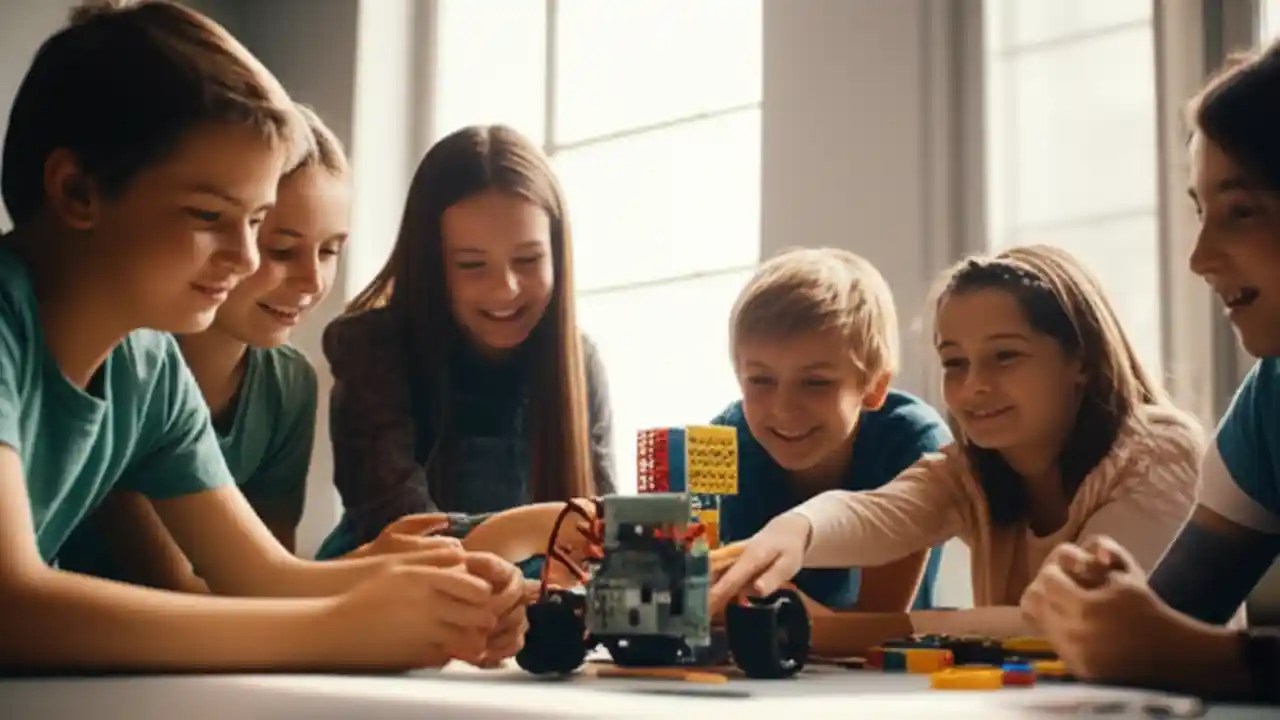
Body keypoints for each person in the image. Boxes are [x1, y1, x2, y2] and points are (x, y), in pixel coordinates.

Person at [0, 1, 522, 671]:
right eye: (210, 215)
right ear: (77, 191)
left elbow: (264, 575)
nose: (246, 260)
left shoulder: (150, 366)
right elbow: (12, 604)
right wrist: (340, 629)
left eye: (254, 222)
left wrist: (451, 593)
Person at [710, 244, 1203, 656]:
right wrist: (796, 530)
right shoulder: (970, 471)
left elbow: (1076, 619)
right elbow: (880, 511)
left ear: (1082, 360)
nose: (974, 387)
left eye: (1004, 356)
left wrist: (851, 631)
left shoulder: (1158, 448)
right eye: (954, 363)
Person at [1022, 41, 1280, 705]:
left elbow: (1183, 646)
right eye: (1201, 211)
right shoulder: (1269, 405)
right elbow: (1178, 616)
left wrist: (1201, 657)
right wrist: (1108, 609)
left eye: (1240, 210)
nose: (1199, 258)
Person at [55, 103, 392, 589]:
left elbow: (268, 576)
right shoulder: (125, 362)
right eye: (280, 249)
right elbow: (175, 585)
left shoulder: (287, 384)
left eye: (329, 250)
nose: (311, 280)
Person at [314, 124, 615, 565]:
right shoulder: (371, 347)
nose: (505, 288)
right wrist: (533, 534)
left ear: (557, 256)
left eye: (528, 260)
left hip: (540, 603)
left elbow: (603, 531)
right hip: (395, 593)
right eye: (472, 265)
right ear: (432, 266)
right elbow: (400, 526)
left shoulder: (579, 361)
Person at [709, 247, 950, 612]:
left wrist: (764, 599)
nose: (784, 407)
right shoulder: (726, 443)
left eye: (816, 383)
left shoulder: (912, 444)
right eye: (760, 380)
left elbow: (878, 625)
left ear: (874, 387)